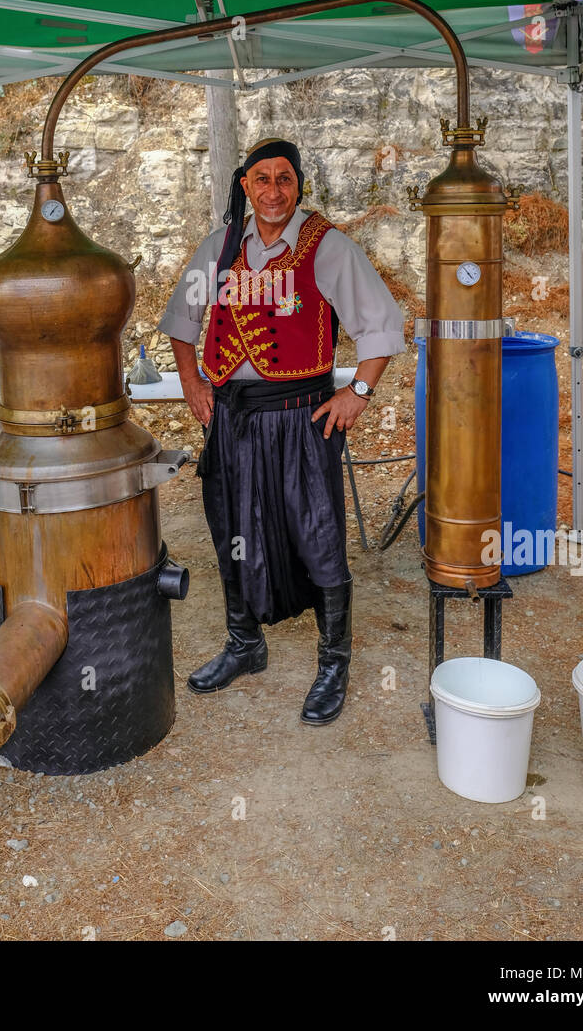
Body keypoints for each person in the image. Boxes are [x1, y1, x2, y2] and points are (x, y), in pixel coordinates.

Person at [156, 137, 405, 724]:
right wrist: (192, 383)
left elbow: (381, 326)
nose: (273, 191)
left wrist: (359, 392)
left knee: (315, 534)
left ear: (299, 187)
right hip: (231, 416)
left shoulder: (328, 248)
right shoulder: (218, 249)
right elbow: (181, 320)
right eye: (262, 179)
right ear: (246, 185)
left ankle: (333, 660)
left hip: (300, 416)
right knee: (232, 528)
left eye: (284, 180)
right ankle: (245, 644)